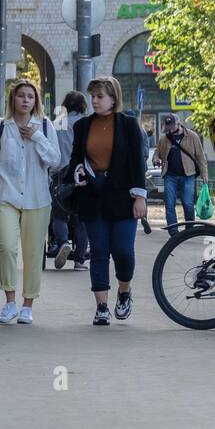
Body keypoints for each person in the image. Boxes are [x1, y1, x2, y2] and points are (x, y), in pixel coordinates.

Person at [0, 79, 61, 325]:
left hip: (37, 198)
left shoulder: (45, 126)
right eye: (21, 96)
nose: (25, 100)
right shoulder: (0, 128)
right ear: (13, 99)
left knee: (33, 254)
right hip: (5, 197)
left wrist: (37, 137)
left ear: (36, 101)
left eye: (30, 97)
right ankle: (9, 302)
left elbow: (55, 160)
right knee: (7, 247)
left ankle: (27, 305)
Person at [63, 75, 149, 326]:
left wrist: (140, 197)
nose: (95, 101)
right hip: (92, 195)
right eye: (92, 97)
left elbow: (137, 162)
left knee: (123, 250)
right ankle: (101, 306)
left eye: (100, 96)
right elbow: (75, 158)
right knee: (99, 251)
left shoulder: (128, 124)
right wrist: (77, 171)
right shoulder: (83, 126)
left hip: (123, 197)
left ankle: (124, 291)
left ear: (113, 98)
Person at [51, 91, 91, 269]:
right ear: (82, 105)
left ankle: (62, 242)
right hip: (82, 171)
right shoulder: (87, 123)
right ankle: (80, 259)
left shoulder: (57, 124)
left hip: (61, 172)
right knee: (82, 217)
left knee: (59, 212)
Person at [154, 113, 209, 235]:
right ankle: (174, 232)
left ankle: (189, 230)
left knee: (188, 203)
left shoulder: (192, 136)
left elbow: (200, 157)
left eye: (172, 126)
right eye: (168, 127)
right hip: (170, 176)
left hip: (188, 175)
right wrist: (156, 160)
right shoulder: (164, 139)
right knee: (169, 204)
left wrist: (205, 177)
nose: (170, 129)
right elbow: (156, 154)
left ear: (179, 124)